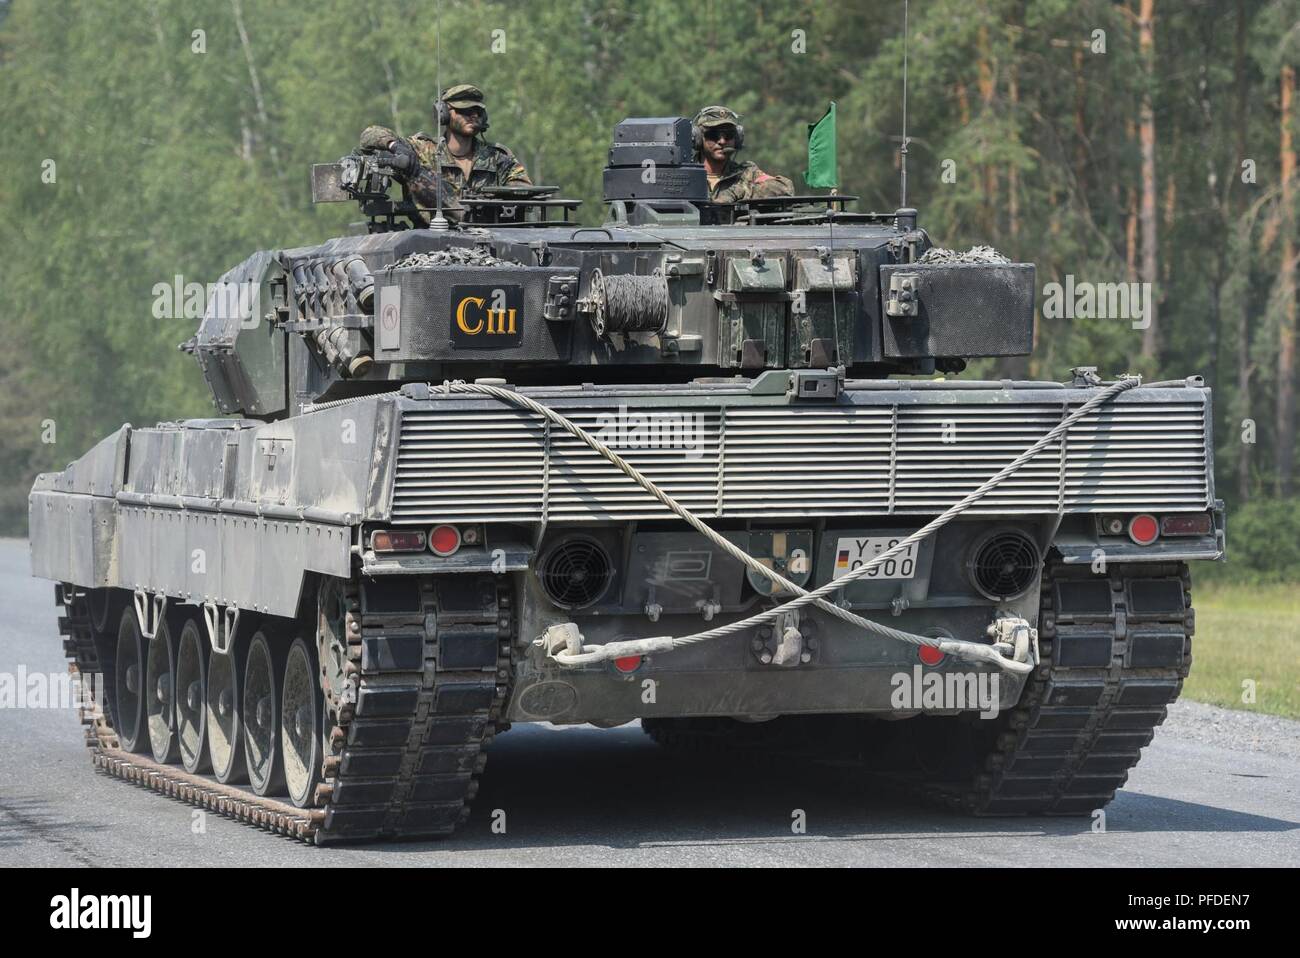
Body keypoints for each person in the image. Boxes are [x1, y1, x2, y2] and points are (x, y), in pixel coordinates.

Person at [358, 83, 531, 214]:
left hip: (488, 241)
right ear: (444, 114)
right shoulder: (423, 151)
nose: (473, 116)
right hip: (430, 242)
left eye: (478, 111)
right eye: (465, 111)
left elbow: (523, 191)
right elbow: (370, 134)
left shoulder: (497, 157)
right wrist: (395, 147)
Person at [691, 105, 793, 204]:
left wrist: (739, 191)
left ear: (737, 139)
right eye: (713, 135)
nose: (722, 141)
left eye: (728, 135)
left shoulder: (746, 173)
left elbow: (785, 188)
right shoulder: (684, 174)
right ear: (698, 138)